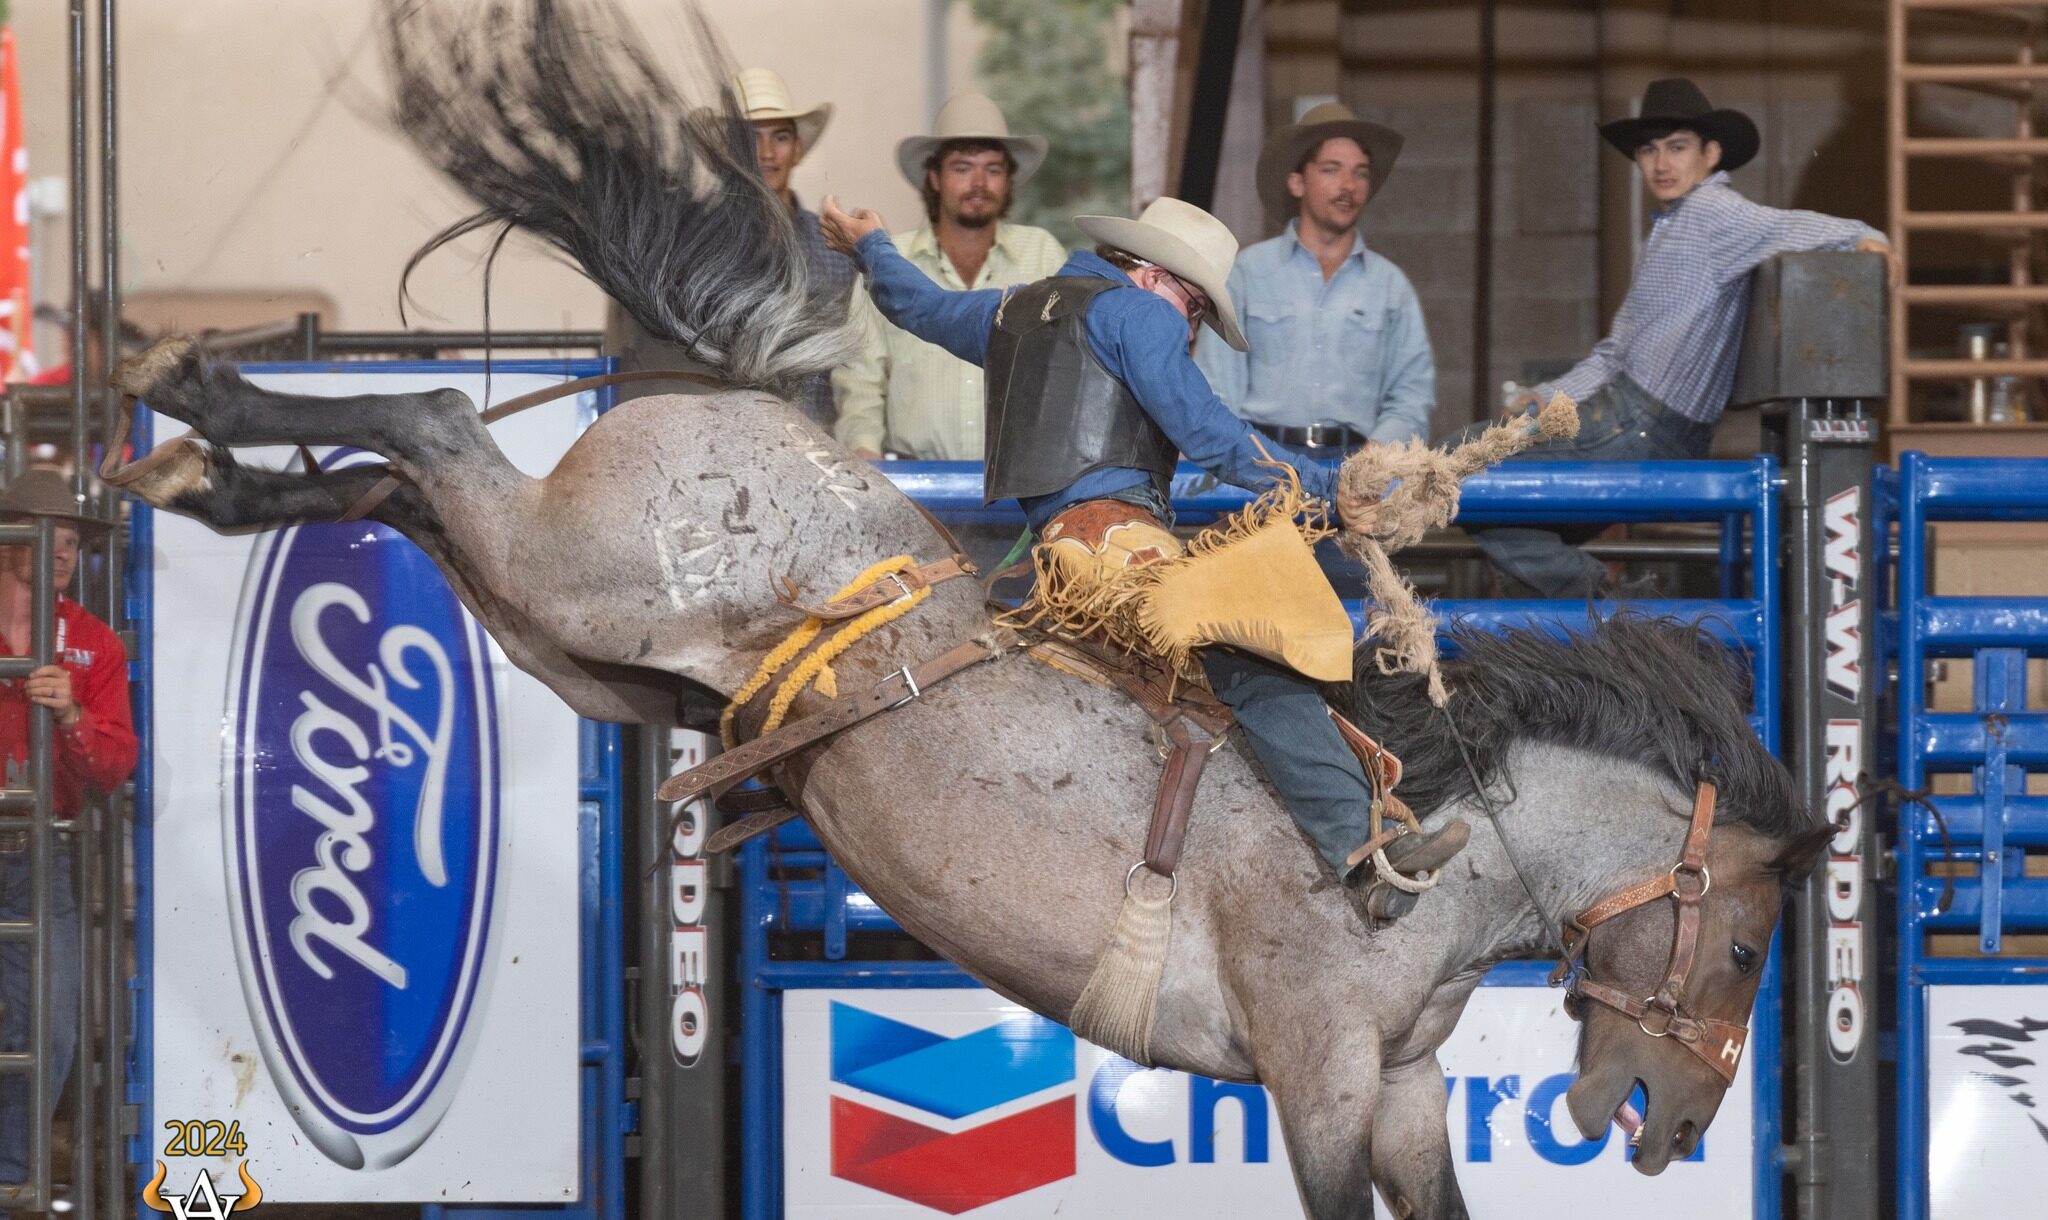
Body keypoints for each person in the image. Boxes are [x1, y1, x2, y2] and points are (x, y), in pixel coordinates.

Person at [820, 192, 1468, 919]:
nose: (1188, 331)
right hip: (1117, 549)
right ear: (1157, 277)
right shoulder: (1139, 313)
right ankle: (1364, 854)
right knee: (1253, 656)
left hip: (1056, 559)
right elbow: (1207, 429)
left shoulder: (1014, 309)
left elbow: (919, 306)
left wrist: (870, 245)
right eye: (1195, 311)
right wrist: (1322, 492)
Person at [1478, 78, 1894, 598]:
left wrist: (1865, 237)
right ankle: (1583, 635)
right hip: (1634, 418)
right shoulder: (1670, 228)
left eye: (1677, 147)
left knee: (1464, 462)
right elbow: (1615, 352)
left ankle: (1611, 604)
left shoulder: (1710, 213)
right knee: (1509, 516)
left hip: (1645, 424)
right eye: (1649, 150)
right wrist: (1544, 398)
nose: (1661, 164)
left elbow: (1787, 224)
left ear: (1711, 154)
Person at [0, 471, 135, 1202]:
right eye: (49, 535)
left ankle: (11, 1184)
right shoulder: (87, 640)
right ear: (10, 537)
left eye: (75, 543)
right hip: (32, 846)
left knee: (50, 1026)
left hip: (41, 847)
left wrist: (74, 716)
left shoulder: (92, 644)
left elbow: (114, 765)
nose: (63, 553)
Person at [831, 92, 1067, 460]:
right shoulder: (891, 260)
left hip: (1025, 493)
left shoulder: (1042, 254)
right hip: (914, 487)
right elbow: (860, 378)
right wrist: (864, 456)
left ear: (1008, 180)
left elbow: (1070, 371)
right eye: (962, 167)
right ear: (935, 178)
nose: (979, 182)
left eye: (993, 169)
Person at [1195, 102, 1434, 454]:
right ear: (1297, 182)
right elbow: (1215, 388)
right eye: (1331, 169)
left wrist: (1375, 459)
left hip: (1357, 470)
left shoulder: (1390, 286)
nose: (1348, 185)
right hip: (1261, 467)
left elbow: (1413, 395)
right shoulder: (1247, 273)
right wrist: (1240, 466)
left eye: (1361, 173)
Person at [731, 68, 856, 427]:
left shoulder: (833, 245)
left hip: (819, 439)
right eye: (752, 138)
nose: (767, 153)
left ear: (797, 149)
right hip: (726, 436)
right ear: (731, 150)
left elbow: (856, 360)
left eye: (780, 137)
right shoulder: (703, 246)